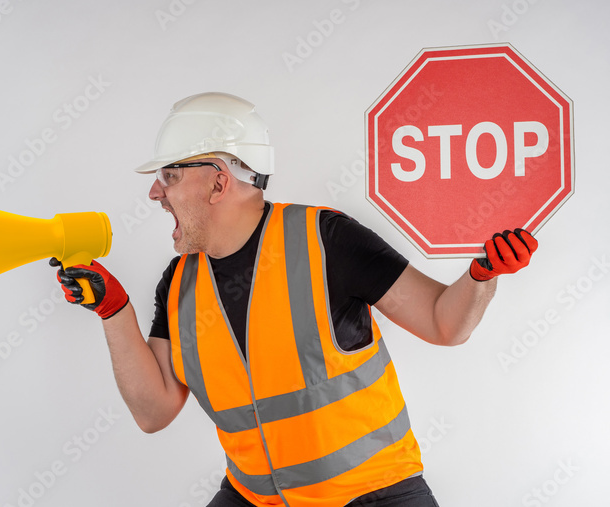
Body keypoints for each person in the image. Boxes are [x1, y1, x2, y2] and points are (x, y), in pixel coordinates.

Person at [50, 92, 537, 507]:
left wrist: (482, 275)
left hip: (372, 494)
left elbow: (443, 323)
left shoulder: (327, 240)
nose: (155, 192)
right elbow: (153, 413)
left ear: (219, 181)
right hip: (256, 497)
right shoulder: (179, 283)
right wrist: (114, 311)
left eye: (171, 176)